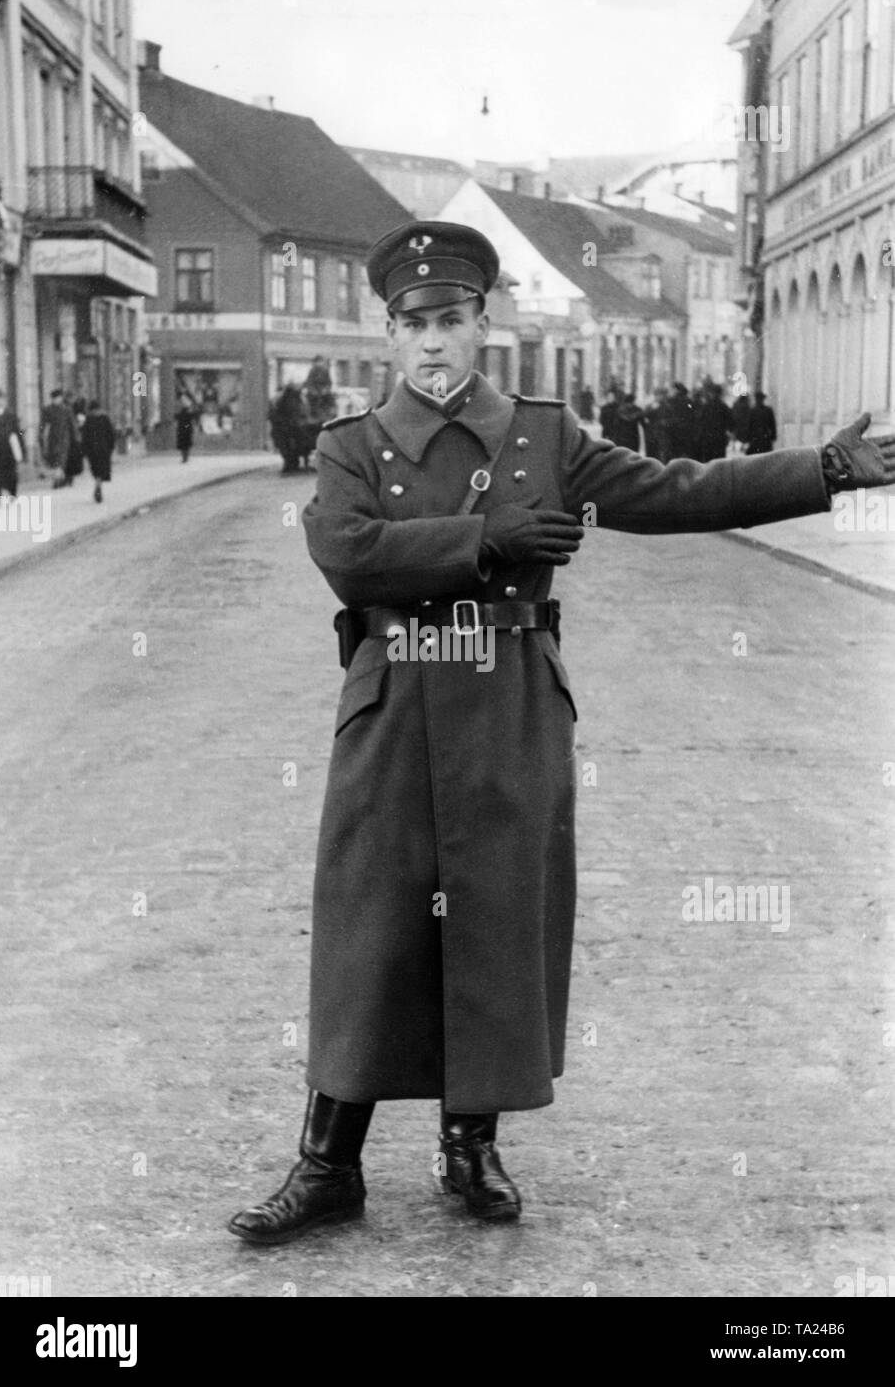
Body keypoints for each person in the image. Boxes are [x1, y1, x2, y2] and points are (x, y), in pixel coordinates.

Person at [227, 219, 895, 1247]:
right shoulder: (348, 445)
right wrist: (485, 539)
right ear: (390, 336)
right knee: (370, 924)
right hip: (394, 706)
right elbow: (350, 556)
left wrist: (827, 470)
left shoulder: (545, 436)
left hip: (510, 706)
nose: (435, 342)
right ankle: (328, 1164)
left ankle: (472, 1147)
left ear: (482, 324)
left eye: (452, 320)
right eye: (415, 325)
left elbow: (680, 491)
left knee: (498, 919)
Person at [0, 386, 24, 503]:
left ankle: (12, 494)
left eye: (0, 398)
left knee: (11, 475)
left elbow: (18, 433)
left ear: (4, 399)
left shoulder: (11, 416)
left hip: (8, 451)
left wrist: (22, 451)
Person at [40, 389, 79, 487]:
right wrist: (41, 434)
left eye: (58, 398)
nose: (57, 400)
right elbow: (42, 424)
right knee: (54, 459)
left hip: (64, 438)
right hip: (52, 438)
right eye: (55, 398)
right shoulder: (47, 410)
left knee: (62, 459)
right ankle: (58, 478)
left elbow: (72, 424)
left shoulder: (66, 409)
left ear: (61, 398)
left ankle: (57, 480)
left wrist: (76, 437)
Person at [80, 400, 116, 503]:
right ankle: (98, 485)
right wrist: (111, 447)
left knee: (95, 470)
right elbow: (111, 434)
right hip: (104, 450)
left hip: (92, 451)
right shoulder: (105, 418)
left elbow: (84, 436)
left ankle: (97, 484)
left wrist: (84, 451)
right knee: (102, 470)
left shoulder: (88, 419)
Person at [695, 382, 734, 462]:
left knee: (708, 462)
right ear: (720, 394)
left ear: (712, 393)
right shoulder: (723, 407)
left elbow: (699, 421)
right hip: (719, 439)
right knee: (719, 463)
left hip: (708, 438)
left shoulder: (706, 406)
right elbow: (731, 423)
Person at [175, 392, 196, 463]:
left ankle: (185, 458)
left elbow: (176, 417)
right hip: (185, 429)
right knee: (185, 445)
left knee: (184, 445)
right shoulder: (187, 412)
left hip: (183, 429)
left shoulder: (183, 412)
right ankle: (185, 457)